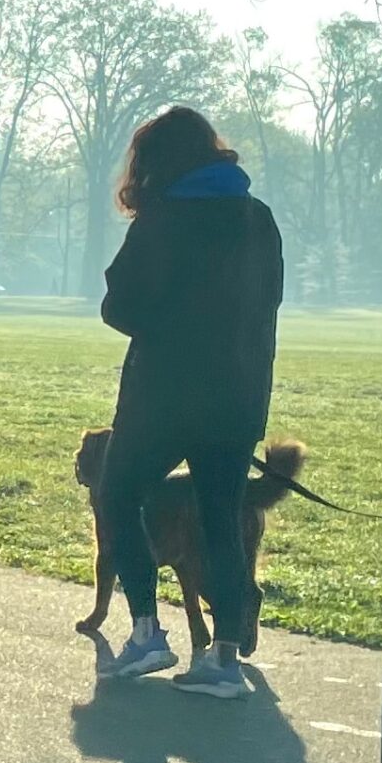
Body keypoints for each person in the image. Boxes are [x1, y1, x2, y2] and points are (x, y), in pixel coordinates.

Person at [94, 105, 284, 698]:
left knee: (118, 493)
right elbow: (268, 305)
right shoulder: (258, 218)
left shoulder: (162, 219)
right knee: (221, 519)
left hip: (164, 394)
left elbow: (120, 306)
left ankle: (147, 632)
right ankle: (224, 660)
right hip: (237, 396)